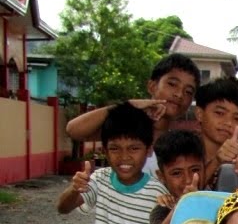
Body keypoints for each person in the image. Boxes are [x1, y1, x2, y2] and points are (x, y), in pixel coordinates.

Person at [65, 53, 201, 175]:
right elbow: (74, 130)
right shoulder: (126, 127)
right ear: (152, 87)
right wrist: (127, 105)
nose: (179, 94)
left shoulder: (183, 145)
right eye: (172, 84)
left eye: (188, 91)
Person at [193, 77, 238, 189]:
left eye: (237, 118)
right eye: (220, 113)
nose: (229, 123)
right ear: (199, 114)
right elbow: (185, 194)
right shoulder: (181, 150)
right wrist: (217, 161)